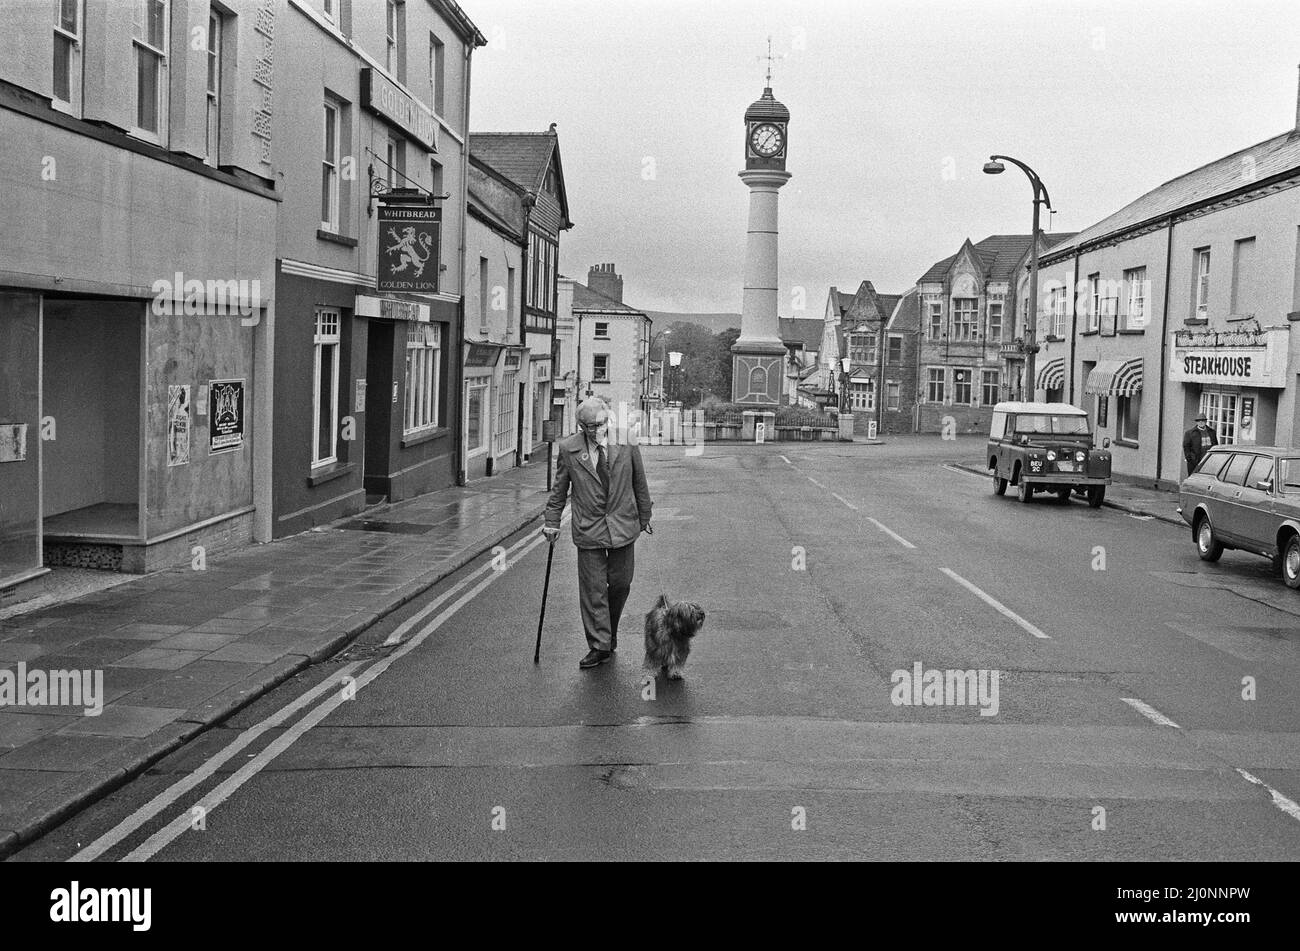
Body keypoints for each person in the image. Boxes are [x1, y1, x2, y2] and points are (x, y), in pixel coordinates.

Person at [543, 398, 653, 669]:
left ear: (609, 420)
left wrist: (645, 514)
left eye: (600, 424)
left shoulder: (626, 442)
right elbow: (559, 491)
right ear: (580, 425)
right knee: (594, 591)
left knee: (620, 584)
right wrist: (552, 522)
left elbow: (639, 481)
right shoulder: (569, 449)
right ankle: (599, 645)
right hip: (589, 528)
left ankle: (610, 631)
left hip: (623, 525)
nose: (595, 431)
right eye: (589, 426)